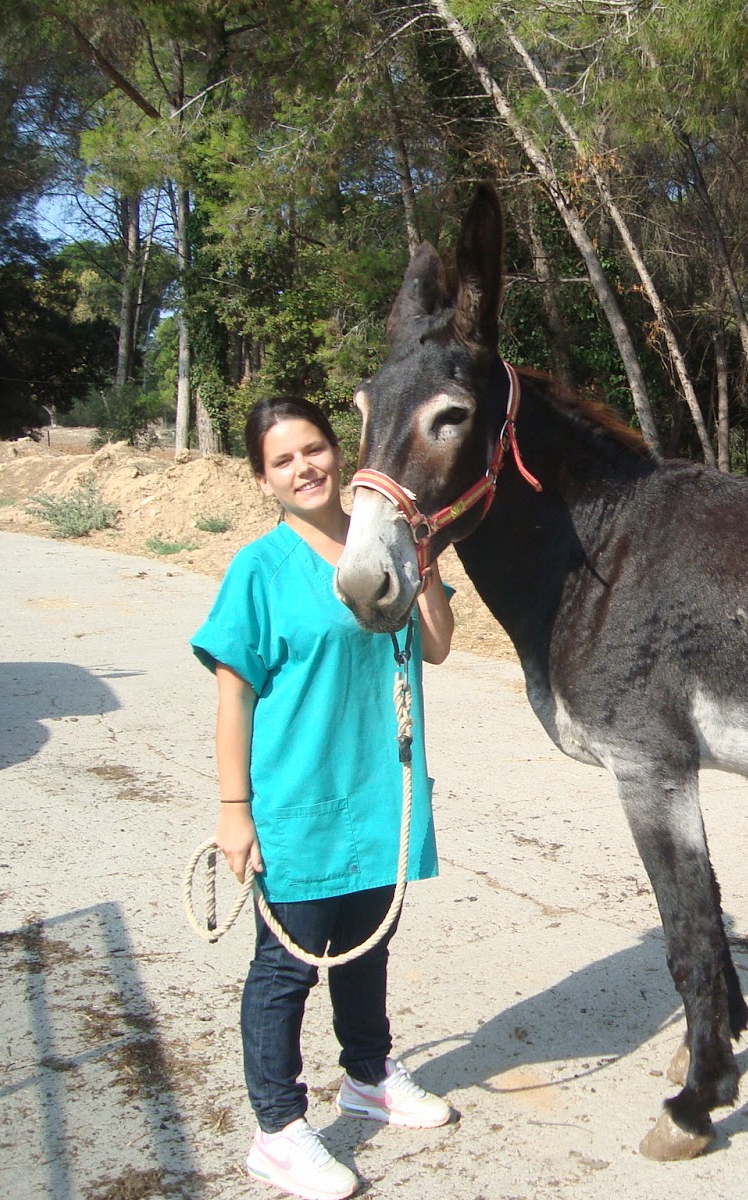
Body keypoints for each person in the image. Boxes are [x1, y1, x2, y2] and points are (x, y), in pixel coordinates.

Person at [191, 397, 456, 1200]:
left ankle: (369, 1075)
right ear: (262, 477)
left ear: (340, 453)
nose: (304, 468)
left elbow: (438, 646)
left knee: (368, 948)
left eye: (314, 449)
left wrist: (429, 559)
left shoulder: (383, 547)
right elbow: (233, 695)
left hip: (380, 791)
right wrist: (234, 811)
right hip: (298, 799)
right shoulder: (259, 571)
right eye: (282, 460)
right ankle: (277, 1130)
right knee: (286, 970)